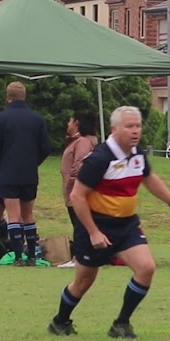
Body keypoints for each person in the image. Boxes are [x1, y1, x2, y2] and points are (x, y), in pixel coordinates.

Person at [47, 106, 170, 338]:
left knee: (146, 268)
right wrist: (93, 232)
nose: (135, 131)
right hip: (96, 225)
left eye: (138, 126)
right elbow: (77, 196)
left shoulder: (136, 153)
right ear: (114, 129)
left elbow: (148, 178)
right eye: (129, 126)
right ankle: (60, 321)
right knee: (83, 282)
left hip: (126, 226)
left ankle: (121, 324)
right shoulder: (99, 159)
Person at [0, 81, 52, 266]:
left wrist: (0, 166)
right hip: (30, 173)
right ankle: (31, 256)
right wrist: (33, 162)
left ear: (8, 97)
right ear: (24, 97)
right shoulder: (37, 119)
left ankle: (17, 256)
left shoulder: (1, 119)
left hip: (8, 172)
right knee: (28, 214)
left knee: (13, 215)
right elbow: (46, 147)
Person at [57, 111, 100, 268]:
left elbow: (80, 164)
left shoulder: (82, 142)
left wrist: (72, 183)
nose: (67, 124)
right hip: (73, 191)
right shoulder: (77, 141)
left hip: (77, 192)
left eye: (70, 120)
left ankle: (79, 257)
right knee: (78, 224)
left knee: (80, 225)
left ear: (77, 122)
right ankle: (82, 255)